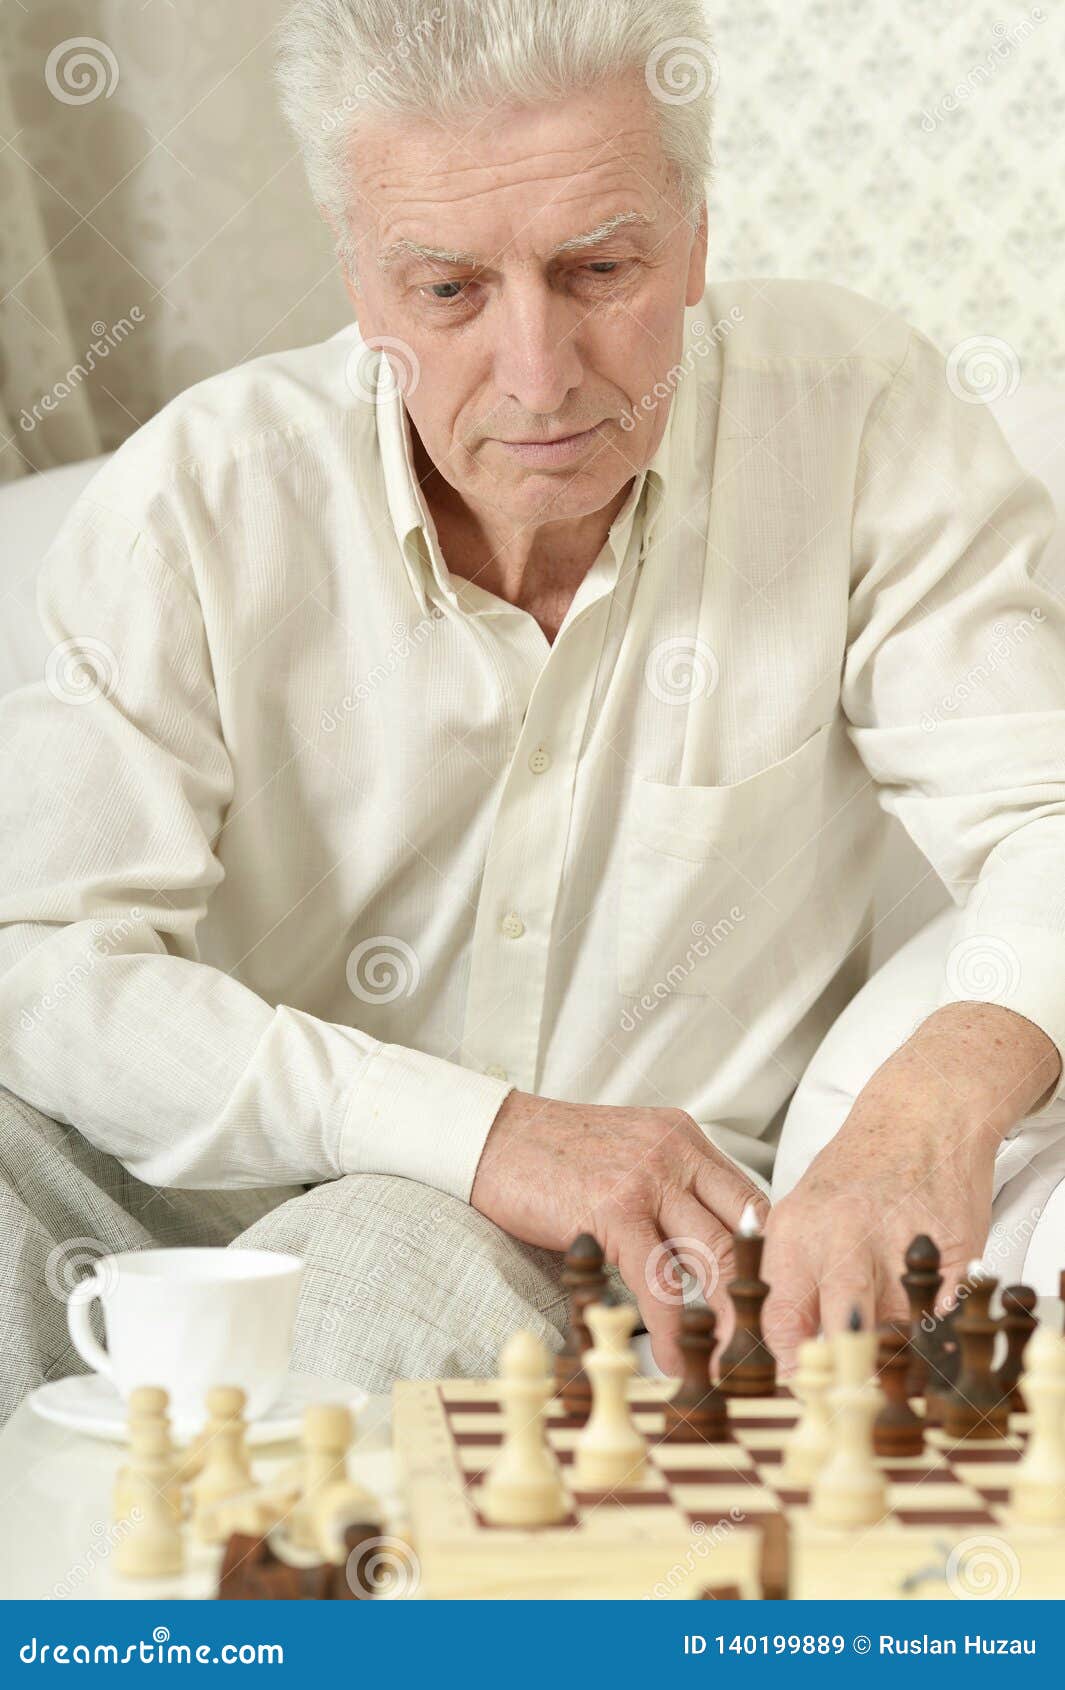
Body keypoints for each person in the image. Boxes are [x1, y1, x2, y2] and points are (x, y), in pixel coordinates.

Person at [1, 0, 1062, 1420]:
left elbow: (1046, 815)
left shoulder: (854, 413)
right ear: (361, 283)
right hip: (192, 1173)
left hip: (582, 1262)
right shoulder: (198, 498)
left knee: (369, 1257)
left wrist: (926, 1104)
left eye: (597, 268)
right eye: (446, 291)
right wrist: (477, 1129)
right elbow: (49, 962)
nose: (538, 373)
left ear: (692, 238)